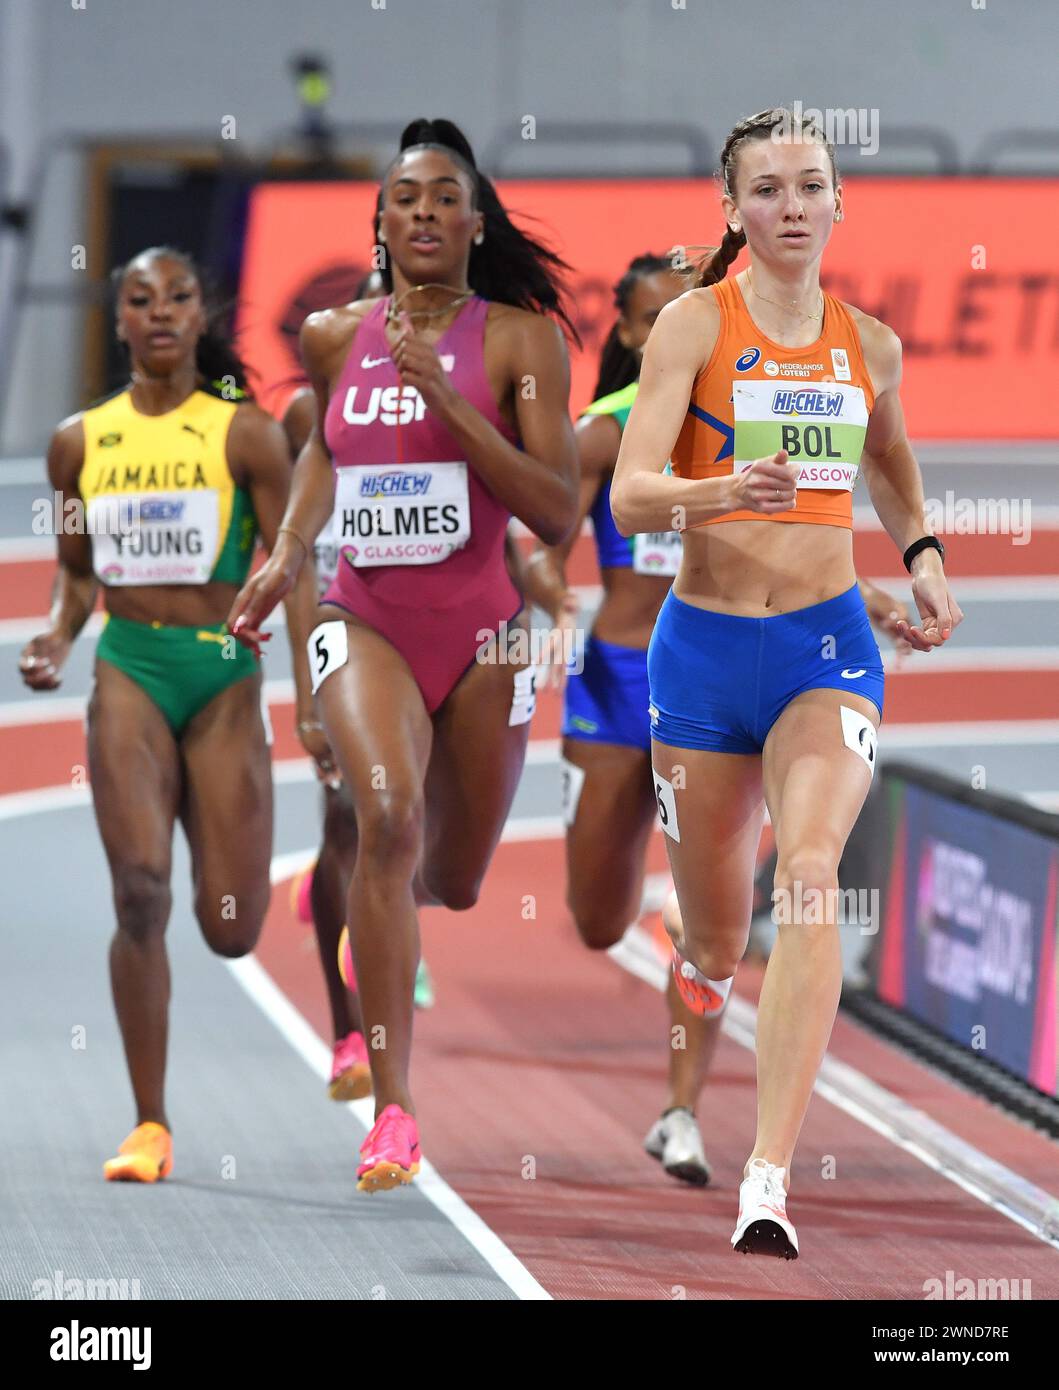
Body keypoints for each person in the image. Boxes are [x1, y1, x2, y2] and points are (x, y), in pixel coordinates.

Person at [610, 108, 962, 1257]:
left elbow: (897, 475)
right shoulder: (688, 330)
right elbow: (630, 496)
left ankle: (768, 1173)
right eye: (768, 189)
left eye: (812, 184)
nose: (793, 205)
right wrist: (726, 492)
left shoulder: (874, 345)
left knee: (809, 876)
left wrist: (924, 561)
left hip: (824, 649)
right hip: (704, 656)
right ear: (734, 211)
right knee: (716, 937)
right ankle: (699, 994)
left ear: (839, 202)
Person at [228, 119, 579, 1191]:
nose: (423, 211)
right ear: (379, 221)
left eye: (444, 197)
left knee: (456, 880)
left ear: (476, 223)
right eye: (405, 197)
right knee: (385, 817)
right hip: (364, 613)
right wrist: (289, 554)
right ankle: (393, 1108)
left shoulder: (522, 342)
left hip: (481, 631)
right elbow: (325, 459)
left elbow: (557, 512)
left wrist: (447, 404)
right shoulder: (337, 337)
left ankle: (378, 919)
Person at [529, 254, 915, 1189]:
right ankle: (679, 905)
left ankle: (681, 1110)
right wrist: (559, 607)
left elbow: (790, 539)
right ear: (633, 335)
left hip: (751, 666)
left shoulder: (767, 399)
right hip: (623, 678)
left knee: (730, 915)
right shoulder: (606, 432)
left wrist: (868, 593)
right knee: (594, 916)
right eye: (659, 318)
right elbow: (531, 542)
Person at [18, 247, 320, 1182]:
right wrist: (57, 638)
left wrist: (311, 701)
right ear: (119, 321)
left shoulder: (245, 436)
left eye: (177, 298)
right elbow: (76, 577)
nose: (158, 314)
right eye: (139, 300)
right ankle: (149, 1123)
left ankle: (306, 887)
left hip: (222, 677)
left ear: (200, 315)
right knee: (139, 892)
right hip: (131, 670)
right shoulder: (79, 441)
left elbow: (292, 562)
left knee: (229, 927)